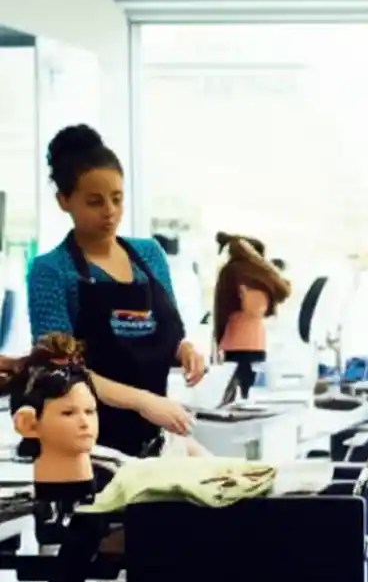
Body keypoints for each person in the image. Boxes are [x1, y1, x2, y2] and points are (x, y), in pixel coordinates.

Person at [27, 124, 205, 458]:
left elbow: (163, 335)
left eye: (117, 199)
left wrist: (185, 350)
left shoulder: (149, 255)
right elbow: (59, 370)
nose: (109, 211)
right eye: (94, 201)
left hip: (153, 437)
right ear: (64, 200)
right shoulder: (51, 270)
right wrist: (142, 401)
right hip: (88, 447)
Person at [213, 232, 291, 398]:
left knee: (239, 395)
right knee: (242, 395)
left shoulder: (235, 274)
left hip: (239, 345)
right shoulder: (246, 275)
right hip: (245, 345)